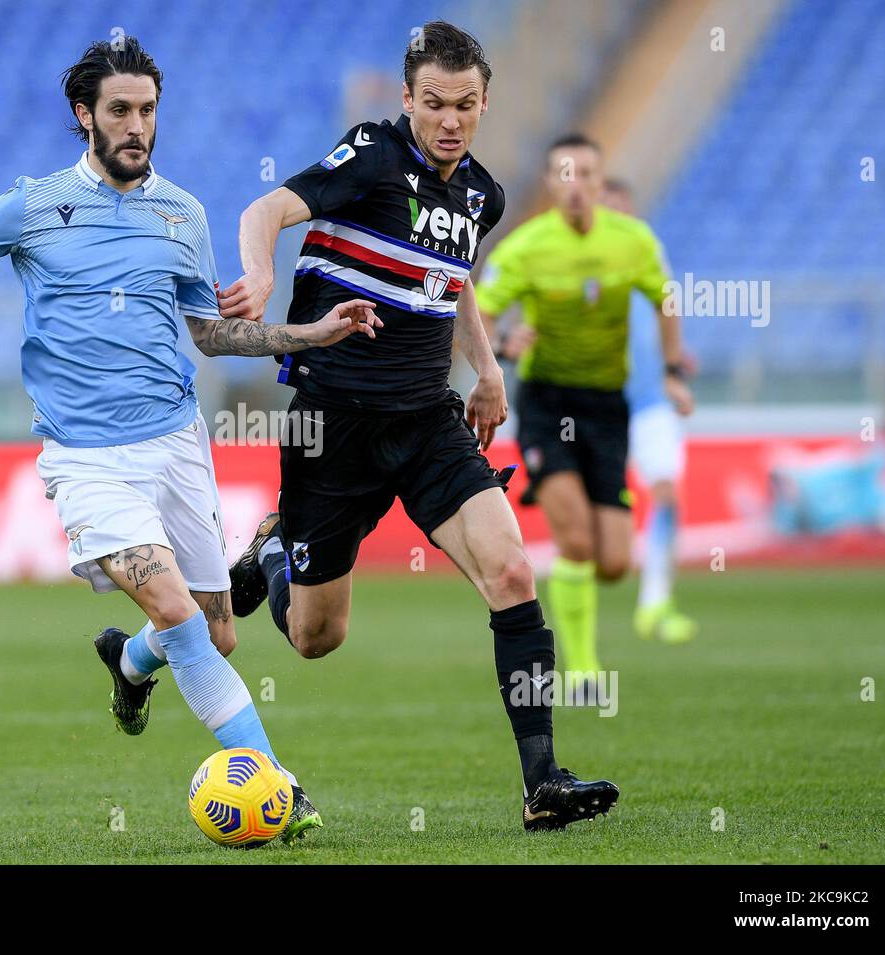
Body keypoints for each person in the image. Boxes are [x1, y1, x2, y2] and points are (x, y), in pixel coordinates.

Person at [0, 36, 381, 843]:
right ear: (84, 116)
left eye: (148, 111)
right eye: (119, 110)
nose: (136, 126)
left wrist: (310, 333)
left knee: (217, 631)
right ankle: (278, 787)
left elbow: (213, 335)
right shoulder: (30, 204)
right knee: (177, 611)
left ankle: (130, 664)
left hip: (177, 443)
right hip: (86, 458)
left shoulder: (182, 213)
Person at [218, 21, 618, 831]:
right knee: (315, 637)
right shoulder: (370, 153)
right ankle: (273, 546)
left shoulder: (483, 195)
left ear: (483, 103)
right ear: (407, 99)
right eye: (433, 103)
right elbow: (266, 208)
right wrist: (262, 269)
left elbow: (455, 276)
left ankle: (541, 783)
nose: (449, 119)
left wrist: (489, 369)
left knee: (512, 575)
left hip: (427, 421)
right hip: (332, 426)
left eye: (465, 105)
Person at [477, 134, 694, 687]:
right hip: (548, 403)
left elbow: (666, 299)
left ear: (602, 183)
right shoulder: (527, 248)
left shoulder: (633, 241)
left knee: (615, 562)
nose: (576, 187)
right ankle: (582, 667)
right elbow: (476, 311)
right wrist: (502, 345)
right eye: (564, 175)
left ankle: (591, 626)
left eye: (587, 175)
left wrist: (672, 370)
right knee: (574, 540)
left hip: (606, 406)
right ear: (551, 183)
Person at [602, 177, 697, 644]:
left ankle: (657, 600)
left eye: (624, 209)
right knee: (593, 515)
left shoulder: (648, 257)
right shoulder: (580, 265)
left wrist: (673, 371)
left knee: (667, 495)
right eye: (608, 210)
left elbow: (665, 315)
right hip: (596, 406)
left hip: (649, 402)